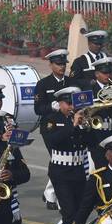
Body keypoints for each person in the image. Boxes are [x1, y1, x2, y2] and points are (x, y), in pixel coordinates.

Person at [42, 86, 101, 224]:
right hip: (60, 171)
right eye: (68, 103)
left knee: (77, 212)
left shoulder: (81, 120)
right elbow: (53, 141)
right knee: (69, 213)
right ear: (60, 103)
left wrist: (87, 127)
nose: (71, 107)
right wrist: (72, 125)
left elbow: (93, 143)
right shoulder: (52, 120)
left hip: (78, 170)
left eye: (73, 103)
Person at [32, 48, 71, 210]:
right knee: (57, 159)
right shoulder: (43, 84)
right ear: (51, 65)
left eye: (63, 64)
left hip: (68, 127)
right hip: (51, 127)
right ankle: (51, 194)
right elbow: (38, 109)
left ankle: (50, 193)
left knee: (63, 160)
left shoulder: (71, 83)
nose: (62, 67)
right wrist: (51, 107)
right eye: (58, 64)